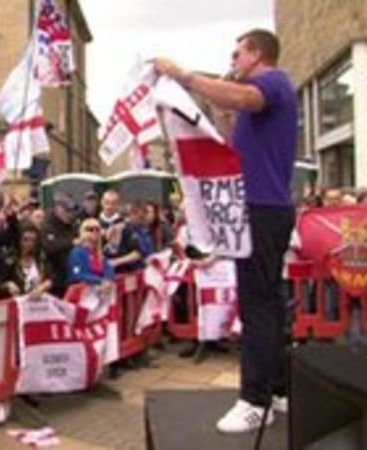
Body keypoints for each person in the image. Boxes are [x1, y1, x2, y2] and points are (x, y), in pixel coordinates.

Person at [156, 28, 297, 433]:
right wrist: (220, 115)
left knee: (257, 306)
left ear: (256, 53)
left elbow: (243, 98)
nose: (233, 60)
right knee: (269, 302)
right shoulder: (259, 99)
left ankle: (254, 401)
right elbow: (238, 147)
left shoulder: (272, 82)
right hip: (263, 206)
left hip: (262, 208)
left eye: (238, 53)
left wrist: (184, 76)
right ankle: (278, 388)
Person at [41, 194, 78, 297]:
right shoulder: (48, 225)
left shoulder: (72, 224)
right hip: (53, 279)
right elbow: (51, 248)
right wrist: (71, 243)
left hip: (70, 275)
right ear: (58, 209)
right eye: (67, 211)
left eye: (71, 211)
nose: (70, 214)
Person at [67, 219, 115, 290]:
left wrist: (108, 280)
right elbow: (77, 274)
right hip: (84, 292)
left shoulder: (99, 253)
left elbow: (109, 267)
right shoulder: (77, 252)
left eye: (97, 229)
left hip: (101, 291)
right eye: (90, 229)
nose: (94, 232)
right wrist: (100, 281)